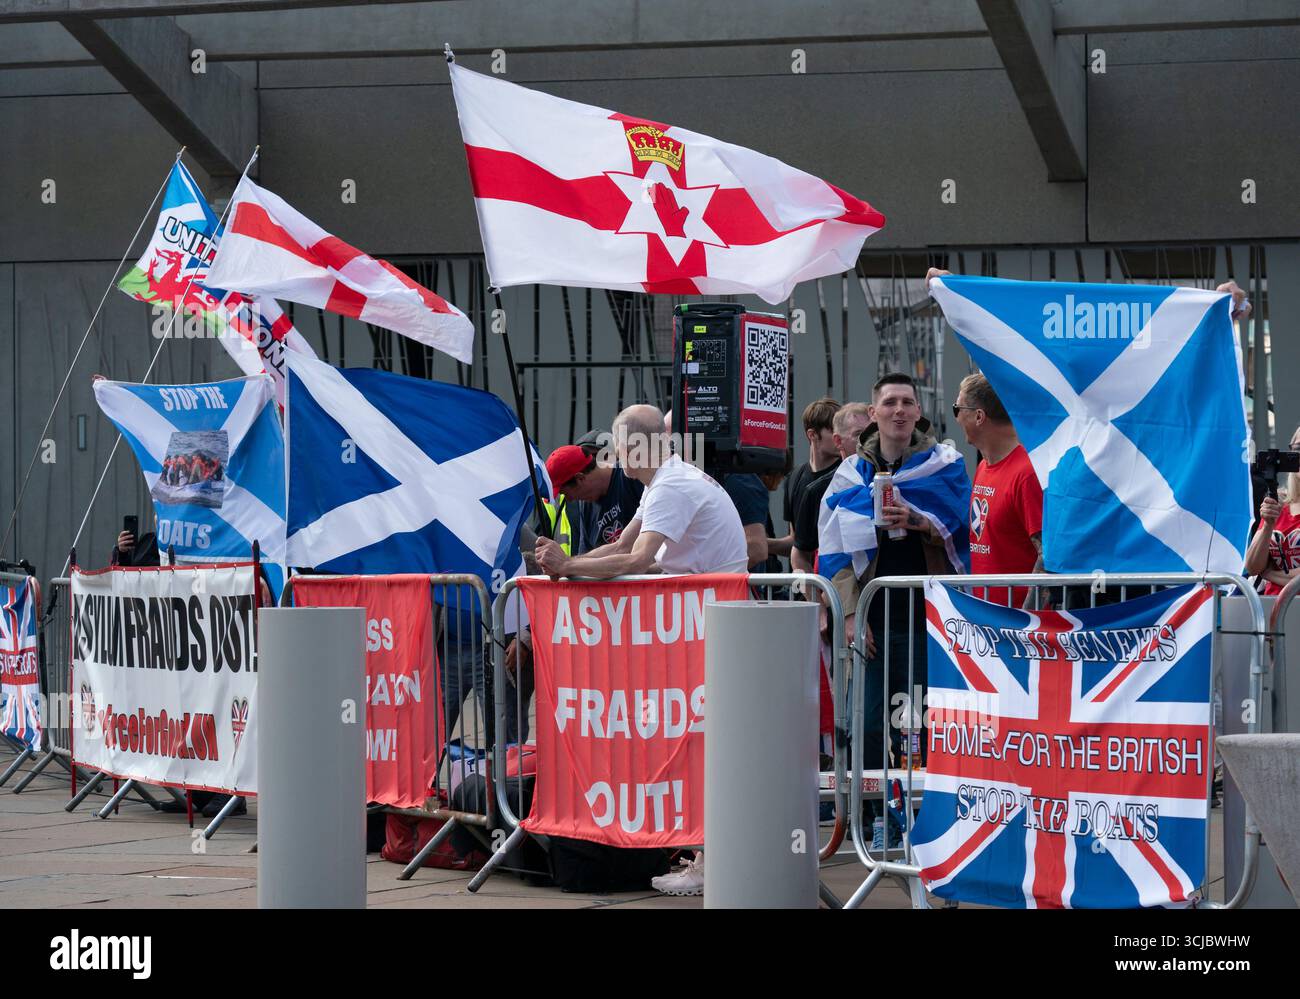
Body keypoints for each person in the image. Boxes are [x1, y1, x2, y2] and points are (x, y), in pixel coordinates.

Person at [535, 404, 746, 897]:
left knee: (704, 745)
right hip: (708, 628)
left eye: (616, 443)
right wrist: (567, 564)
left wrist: (567, 567)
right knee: (699, 743)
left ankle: (709, 861)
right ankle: (704, 857)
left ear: (635, 447)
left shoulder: (670, 485)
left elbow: (637, 558)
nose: (611, 454)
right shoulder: (662, 483)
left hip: (719, 629)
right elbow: (620, 546)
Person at [820, 373, 970, 846]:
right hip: (873, 616)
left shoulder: (944, 463)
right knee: (867, 720)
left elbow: (965, 526)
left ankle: (929, 825)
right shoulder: (849, 474)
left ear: (919, 412)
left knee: (924, 720)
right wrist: (848, 614)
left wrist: (922, 522)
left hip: (929, 614)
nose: (900, 410)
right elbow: (834, 552)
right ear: (874, 412)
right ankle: (869, 825)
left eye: (908, 402)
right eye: (890, 402)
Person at [951, 372, 1043, 606]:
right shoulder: (984, 466)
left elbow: (1048, 555)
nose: (956, 418)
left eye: (957, 409)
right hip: (989, 620)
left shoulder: (1026, 474)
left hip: (1018, 628)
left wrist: (1026, 617)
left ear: (979, 416)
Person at [793, 402, 871, 572]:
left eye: (873, 432)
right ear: (838, 440)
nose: (868, 440)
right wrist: (816, 596)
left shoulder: (889, 478)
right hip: (837, 590)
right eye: (859, 434)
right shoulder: (817, 489)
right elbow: (799, 552)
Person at [784, 398, 840, 572]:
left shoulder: (847, 475)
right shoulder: (794, 478)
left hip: (841, 582)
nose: (840, 437)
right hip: (809, 586)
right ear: (812, 435)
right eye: (833, 430)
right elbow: (798, 542)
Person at [1245, 424, 1300, 593]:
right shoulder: (1279, 503)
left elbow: (1261, 570)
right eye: (1299, 448)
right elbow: (1253, 566)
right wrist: (1268, 525)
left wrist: (1268, 573)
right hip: (1272, 609)